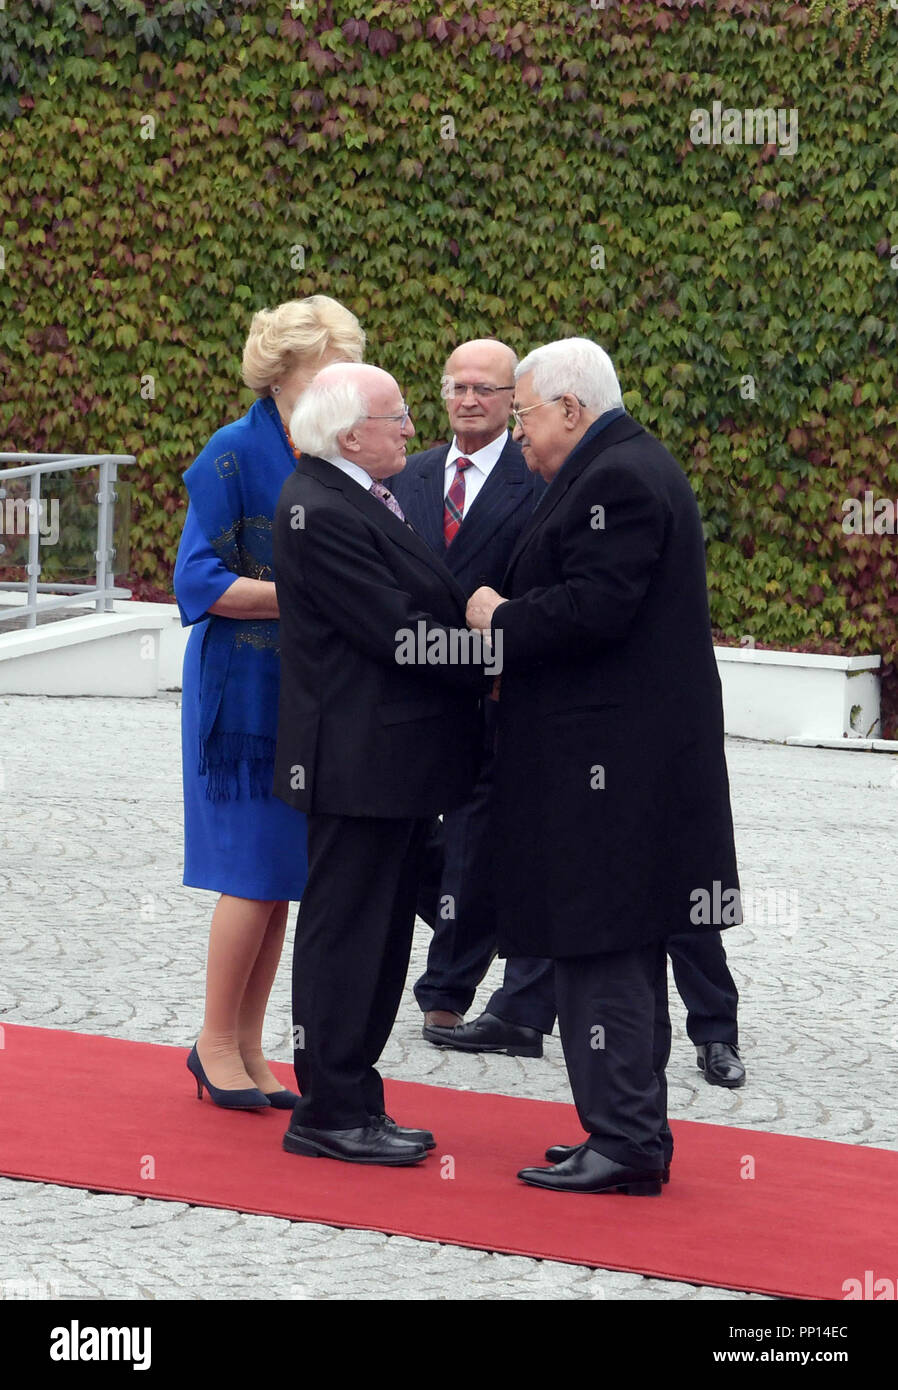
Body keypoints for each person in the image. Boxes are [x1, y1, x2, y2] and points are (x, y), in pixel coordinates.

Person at [395, 344, 746, 1090]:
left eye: (523, 415)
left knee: (615, 955)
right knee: (616, 950)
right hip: (610, 763)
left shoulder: (616, 477)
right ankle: (622, 1131)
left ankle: (625, 1135)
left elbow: (595, 609)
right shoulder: (616, 463)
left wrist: (502, 616)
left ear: (570, 410)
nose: (518, 434)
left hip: (618, 774)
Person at [272, 363, 486, 1166]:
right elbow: (396, 632)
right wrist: (496, 656)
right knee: (348, 938)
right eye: (396, 417)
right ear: (348, 434)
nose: (410, 429)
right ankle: (329, 1109)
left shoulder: (351, 495)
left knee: (381, 936)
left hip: (388, 762)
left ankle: (355, 1097)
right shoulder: (320, 509)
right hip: (358, 763)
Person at [173, 296, 365, 1110]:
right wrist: (304, 596)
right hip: (240, 700)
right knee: (250, 875)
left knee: (282, 878)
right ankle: (213, 1040)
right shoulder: (230, 452)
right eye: (327, 368)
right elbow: (196, 581)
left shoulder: (330, 448)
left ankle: (248, 1046)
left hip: (308, 694)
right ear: (282, 374)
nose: (341, 384)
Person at [389, 338, 553, 1047]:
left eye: (485, 389)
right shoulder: (408, 476)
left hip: (497, 692)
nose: (468, 400)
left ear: (514, 398)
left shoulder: (542, 478)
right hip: (413, 693)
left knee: (478, 842)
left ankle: (447, 988)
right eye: (457, 386)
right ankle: (470, 940)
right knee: (408, 843)